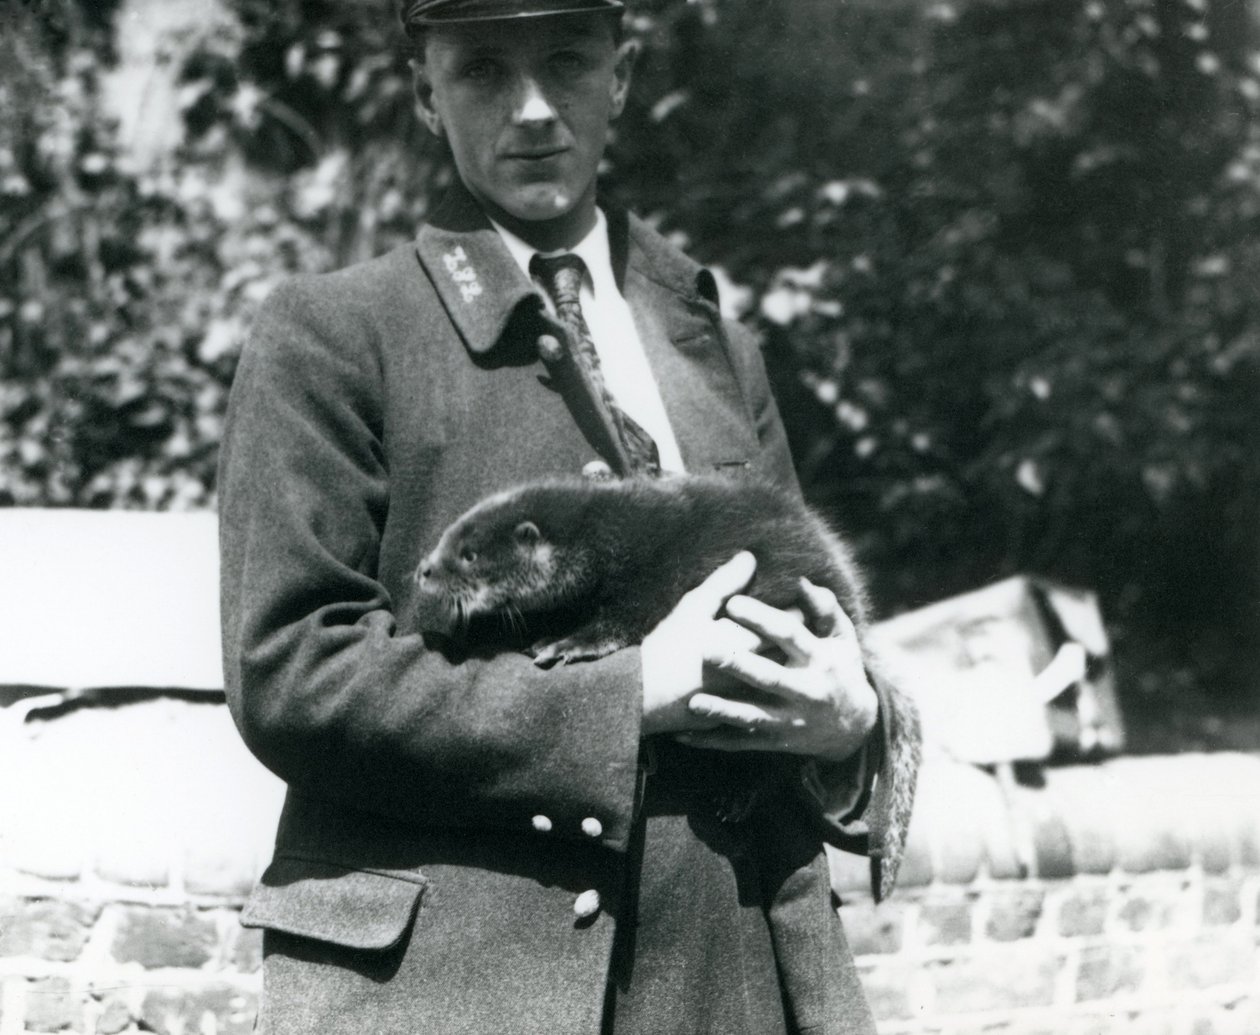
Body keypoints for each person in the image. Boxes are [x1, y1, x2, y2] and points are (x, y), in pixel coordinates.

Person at [217, 1, 920, 1032]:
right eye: (486, 71)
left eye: (568, 63)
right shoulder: (333, 335)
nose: (534, 108)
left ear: (623, 77)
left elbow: (815, 612)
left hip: (732, 972)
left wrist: (851, 724)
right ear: (425, 94)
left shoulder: (714, 341)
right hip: (465, 984)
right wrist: (629, 696)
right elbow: (292, 671)